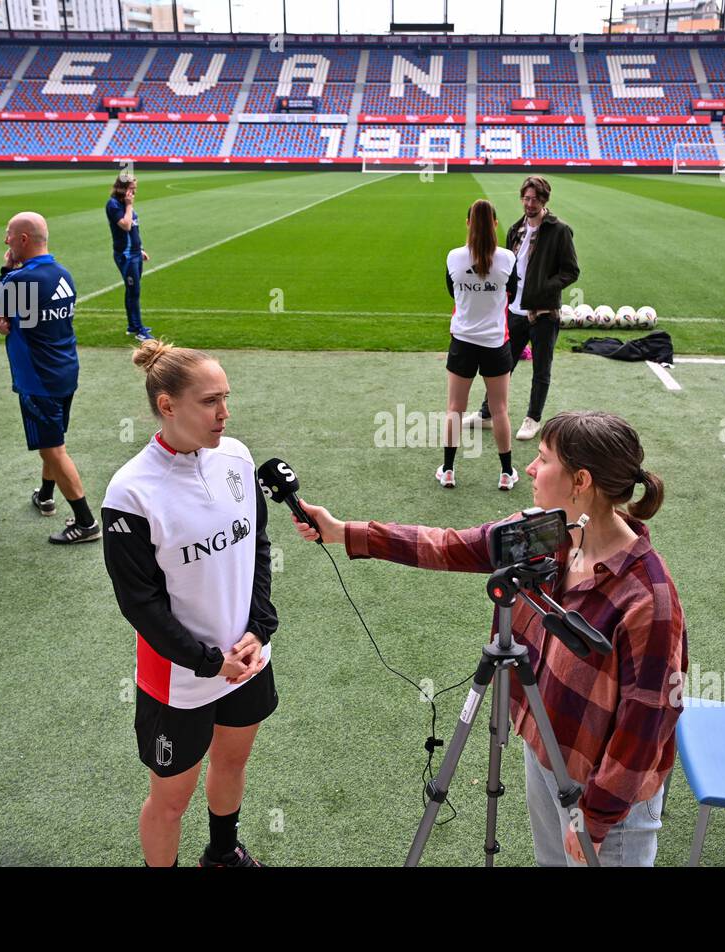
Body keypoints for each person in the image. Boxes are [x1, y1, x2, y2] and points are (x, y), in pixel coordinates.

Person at [292, 411, 687, 867]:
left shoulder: (648, 600)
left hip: (605, 798)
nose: (532, 469)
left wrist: (594, 820)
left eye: (542, 459)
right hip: (548, 748)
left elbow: (647, 724)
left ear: (580, 480)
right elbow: (452, 545)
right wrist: (344, 532)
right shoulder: (549, 531)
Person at [102, 340, 278, 868]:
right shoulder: (131, 492)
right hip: (177, 678)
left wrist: (260, 627)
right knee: (170, 799)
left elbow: (258, 547)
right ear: (168, 406)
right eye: (209, 401)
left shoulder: (238, 457)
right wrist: (204, 660)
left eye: (226, 398)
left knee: (233, 759)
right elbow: (140, 602)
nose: (224, 413)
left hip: (245, 657)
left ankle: (223, 854)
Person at [0, 211, 100, 543]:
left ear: (23, 239)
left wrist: (6, 271)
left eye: (9, 234)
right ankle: (46, 496)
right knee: (51, 442)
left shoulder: (20, 279)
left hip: (38, 379)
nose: (5, 240)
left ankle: (86, 522)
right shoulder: (61, 273)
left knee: (53, 449)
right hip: (65, 370)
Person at [463, 176, 579, 442]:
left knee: (541, 368)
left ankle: (533, 418)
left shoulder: (559, 230)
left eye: (535, 199)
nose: (529, 203)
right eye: (526, 198)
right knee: (502, 366)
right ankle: (487, 414)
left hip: (544, 313)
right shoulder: (516, 229)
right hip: (514, 311)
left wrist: (544, 290)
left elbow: (571, 271)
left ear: (544, 200)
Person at [440, 199, 519, 490]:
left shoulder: (453, 257)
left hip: (462, 340)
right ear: (495, 224)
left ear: (468, 223)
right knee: (499, 410)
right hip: (496, 342)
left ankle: (448, 470)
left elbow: (452, 291)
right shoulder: (508, 258)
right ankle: (506, 473)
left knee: (454, 409)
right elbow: (512, 290)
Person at [106, 173, 153, 341]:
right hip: (125, 256)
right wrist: (128, 206)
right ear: (123, 188)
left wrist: (140, 249)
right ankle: (139, 330)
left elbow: (134, 230)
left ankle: (133, 325)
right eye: (132, 189)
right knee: (134, 291)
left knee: (132, 290)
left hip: (134, 253)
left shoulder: (125, 204)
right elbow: (125, 226)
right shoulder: (113, 205)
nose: (134, 192)